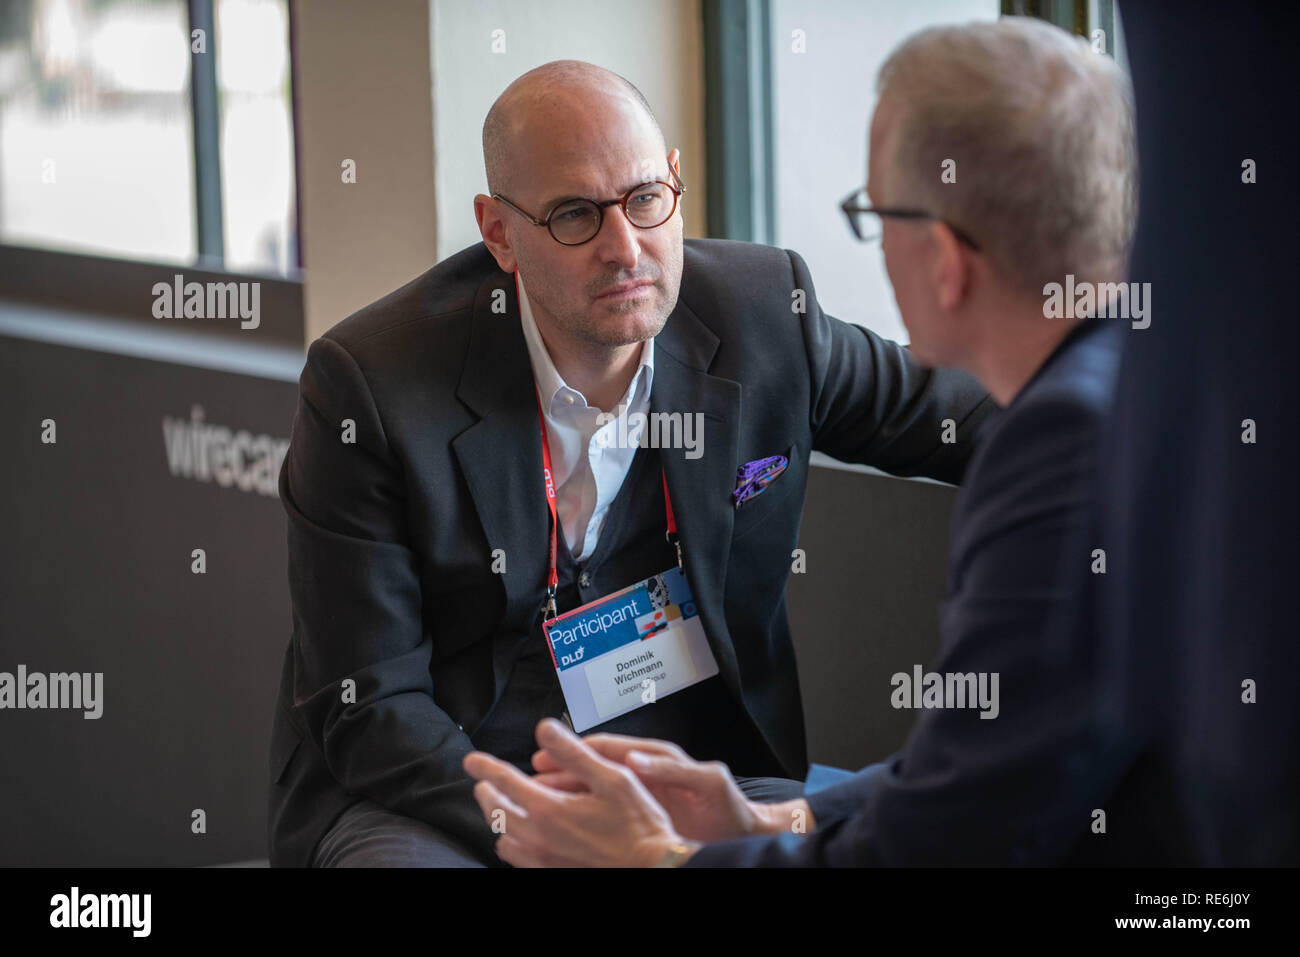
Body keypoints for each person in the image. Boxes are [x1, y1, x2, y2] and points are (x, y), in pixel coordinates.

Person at [267, 59, 992, 867]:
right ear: (500, 233)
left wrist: (1134, 437)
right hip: (442, 793)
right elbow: (371, 705)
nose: (626, 248)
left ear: (675, 184)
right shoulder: (370, 384)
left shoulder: (764, 314)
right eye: (575, 214)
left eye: (646, 199)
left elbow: (967, 415)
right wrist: (551, 830)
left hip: (689, 777)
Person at [463, 17, 1145, 867]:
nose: (625, 246)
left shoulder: (1062, 449)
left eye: (874, 213)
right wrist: (781, 824)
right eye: (574, 214)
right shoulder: (1141, 391)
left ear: (942, 260)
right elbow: (980, 772)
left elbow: (946, 838)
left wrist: (662, 862)